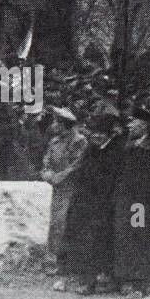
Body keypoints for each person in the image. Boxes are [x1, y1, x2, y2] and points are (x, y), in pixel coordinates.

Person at [57, 112, 123, 294]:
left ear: (109, 134)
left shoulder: (118, 151)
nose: (95, 136)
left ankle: (105, 278)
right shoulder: (91, 149)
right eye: (93, 132)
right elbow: (81, 172)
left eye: (100, 133)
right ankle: (87, 279)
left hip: (106, 204)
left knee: (103, 242)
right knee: (84, 241)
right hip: (86, 202)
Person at [111, 107, 150, 297]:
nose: (129, 125)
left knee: (139, 238)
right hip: (126, 201)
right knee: (125, 238)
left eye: (133, 122)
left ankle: (140, 283)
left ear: (144, 126)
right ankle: (127, 279)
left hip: (142, 203)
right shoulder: (127, 146)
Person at [40, 108, 87, 270]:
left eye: (56, 122)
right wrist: (48, 174)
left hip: (73, 188)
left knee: (67, 222)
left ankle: (69, 261)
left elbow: (77, 165)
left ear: (64, 124)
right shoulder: (54, 142)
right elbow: (46, 163)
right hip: (58, 189)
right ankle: (54, 259)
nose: (53, 125)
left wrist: (60, 176)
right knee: (56, 223)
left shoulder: (79, 141)